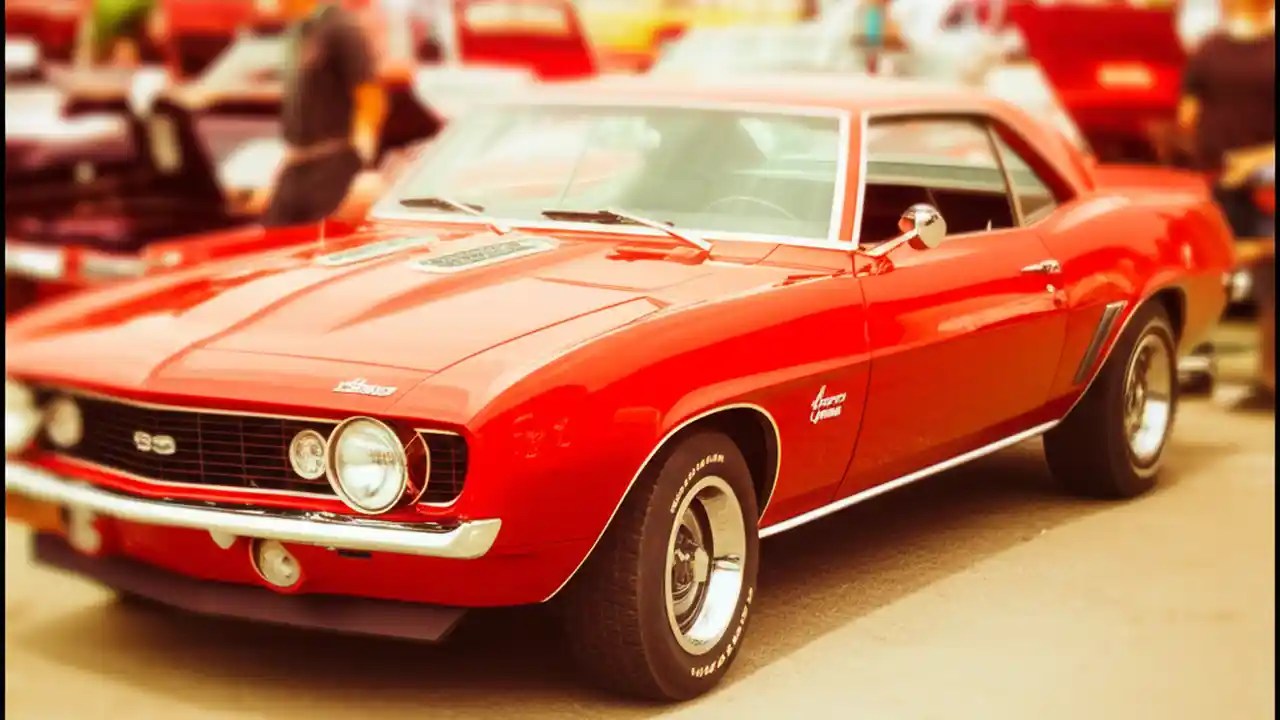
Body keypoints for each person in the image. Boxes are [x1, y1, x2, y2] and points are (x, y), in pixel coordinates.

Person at [1178, 0, 1276, 403]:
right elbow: (1187, 117)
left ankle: (1263, 377)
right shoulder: (1210, 49)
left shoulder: (1211, 49)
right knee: (1206, 267)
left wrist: (1253, 160)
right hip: (1222, 178)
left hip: (1257, 179)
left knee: (1250, 269)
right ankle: (1202, 365)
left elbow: (1187, 118)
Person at [262, 0, 387, 228]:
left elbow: (369, 95)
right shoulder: (298, 30)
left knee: (317, 244)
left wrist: (363, 159)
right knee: (271, 240)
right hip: (297, 165)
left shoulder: (341, 28)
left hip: (332, 164)